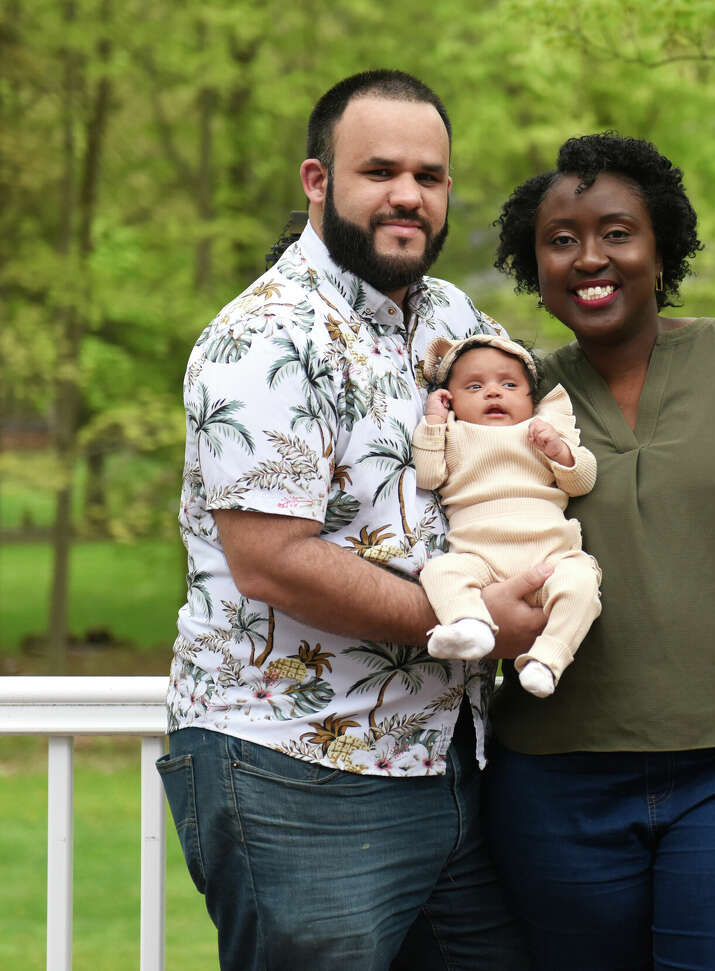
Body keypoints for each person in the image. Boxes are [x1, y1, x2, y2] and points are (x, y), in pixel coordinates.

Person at [157, 69, 538, 970]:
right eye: (379, 171)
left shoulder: (450, 318)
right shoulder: (263, 337)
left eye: (431, 176)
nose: (409, 193)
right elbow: (273, 562)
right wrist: (472, 627)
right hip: (294, 766)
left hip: (448, 758)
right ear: (317, 182)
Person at [483, 132, 715, 969]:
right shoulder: (515, 394)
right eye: (560, 240)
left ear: (661, 245)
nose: (589, 257)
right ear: (533, 265)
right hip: (555, 782)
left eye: (617, 232)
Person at [414, 333, 602, 697]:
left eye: (509, 384)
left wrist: (559, 450)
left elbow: (581, 481)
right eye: (474, 386)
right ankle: (469, 623)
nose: (493, 392)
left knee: (581, 585)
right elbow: (429, 474)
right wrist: (434, 423)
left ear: (531, 399)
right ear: (451, 400)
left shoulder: (541, 432)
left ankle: (547, 660)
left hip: (551, 554)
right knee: (439, 571)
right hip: (478, 557)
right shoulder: (454, 433)